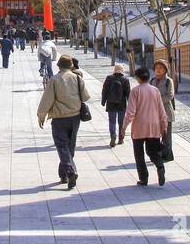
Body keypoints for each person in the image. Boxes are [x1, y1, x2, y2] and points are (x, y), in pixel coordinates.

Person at [37, 54, 91, 190]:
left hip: (59, 117)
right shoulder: (78, 78)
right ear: (71, 66)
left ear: (58, 66)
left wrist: (41, 115)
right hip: (75, 117)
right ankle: (64, 175)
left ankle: (70, 172)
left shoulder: (54, 80)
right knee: (70, 146)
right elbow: (86, 96)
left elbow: (47, 99)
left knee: (62, 146)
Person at [122, 67, 169, 187]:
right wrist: (164, 126)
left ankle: (143, 178)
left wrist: (123, 128)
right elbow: (161, 110)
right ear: (148, 77)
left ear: (138, 78)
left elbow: (130, 112)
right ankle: (159, 165)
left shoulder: (135, 91)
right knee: (152, 151)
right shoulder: (155, 90)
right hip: (154, 126)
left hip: (139, 127)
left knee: (139, 154)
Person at [151, 60, 176, 162]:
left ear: (165, 70)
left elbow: (170, 95)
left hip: (166, 112)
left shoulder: (168, 81)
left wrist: (157, 101)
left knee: (166, 136)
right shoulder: (152, 81)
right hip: (154, 113)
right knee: (155, 135)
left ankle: (168, 156)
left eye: (161, 68)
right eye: (156, 68)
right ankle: (158, 154)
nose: (158, 70)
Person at [101, 64, 131, 147]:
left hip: (111, 104)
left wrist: (103, 101)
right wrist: (131, 105)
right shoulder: (125, 80)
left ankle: (113, 136)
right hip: (122, 104)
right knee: (121, 122)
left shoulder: (109, 78)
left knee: (112, 121)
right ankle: (121, 138)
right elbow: (128, 93)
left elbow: (105, 90)